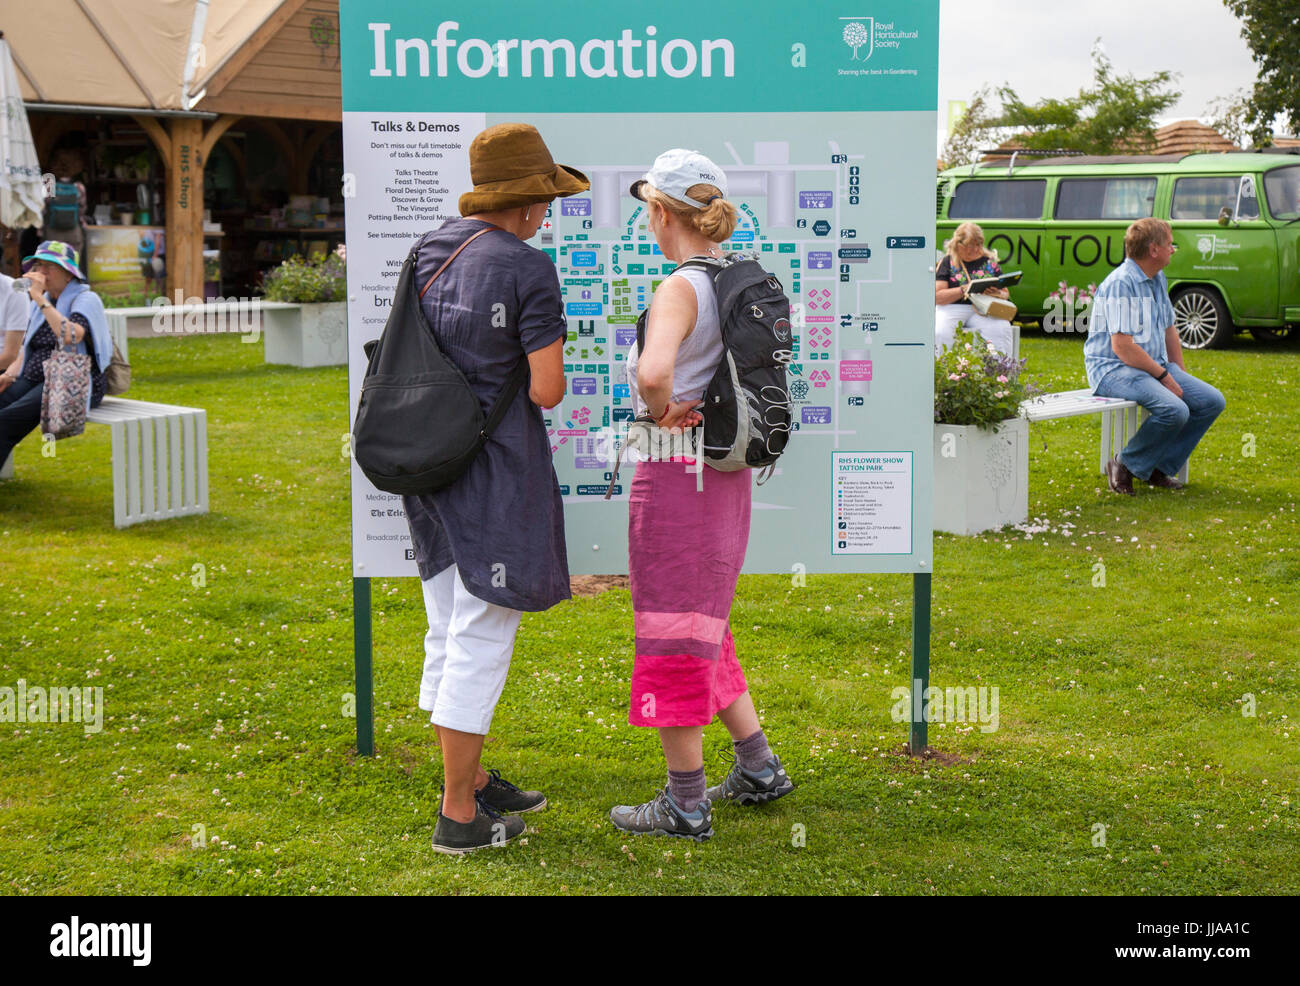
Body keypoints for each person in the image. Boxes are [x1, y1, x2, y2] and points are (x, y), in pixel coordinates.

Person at [398, 123, 588, 855]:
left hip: (429, 463)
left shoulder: (427, 249)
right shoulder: (528, 267)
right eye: (546, 197)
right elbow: (546, 389)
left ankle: (470, 780)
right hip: (496, 471)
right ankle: (458, 815)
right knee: (481, 634)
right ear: (527, 199)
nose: (548, 212)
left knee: (448, 624)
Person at [608, 149, 794, 843]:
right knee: (703, 619)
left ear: (660, 212)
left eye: (647, 210)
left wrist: (658, 410)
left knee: (673, 629)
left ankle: (685, 803)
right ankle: (757, 767)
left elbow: (656, 370)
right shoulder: (733, 277)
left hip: (675, 474)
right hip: (726, 473)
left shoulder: (680, 287)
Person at [1085, 217, 1225, 495]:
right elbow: (1122, 348)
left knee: (1211, 401)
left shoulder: (1156, 277)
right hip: (1112, 370)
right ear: (1153, 250)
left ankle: (1158, 467)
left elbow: (1169, 330)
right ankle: (1123, 464)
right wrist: (1164, 377)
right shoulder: (1120, 284)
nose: (1173, 248)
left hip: (1148, 367)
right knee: (1175, 409)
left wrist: (1179, 375)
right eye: (1169, 243)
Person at [0, 242, 111, 467]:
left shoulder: (86, 299)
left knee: (5, 422)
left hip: (73, 382)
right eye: (39, 265)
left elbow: (71, 335)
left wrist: (39, 299)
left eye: (49, 266)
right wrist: (9, 375)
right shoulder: (45, 301)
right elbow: (29, 346)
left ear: (69, 274)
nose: (41, 272)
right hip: (35, 377)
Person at [934, 221, 1015, 355]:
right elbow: (938, 297)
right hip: (952, 307)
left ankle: (1000, 372)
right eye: (970, 246)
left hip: (984, 307)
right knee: (941, 331)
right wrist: (963, 290)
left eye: (978, 245)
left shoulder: (989, 262)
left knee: (1001, 329)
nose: (975, 250)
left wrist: (997, 293)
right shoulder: (948, 262)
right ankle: (943, 371)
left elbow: (1006, 294)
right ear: (958, 244)